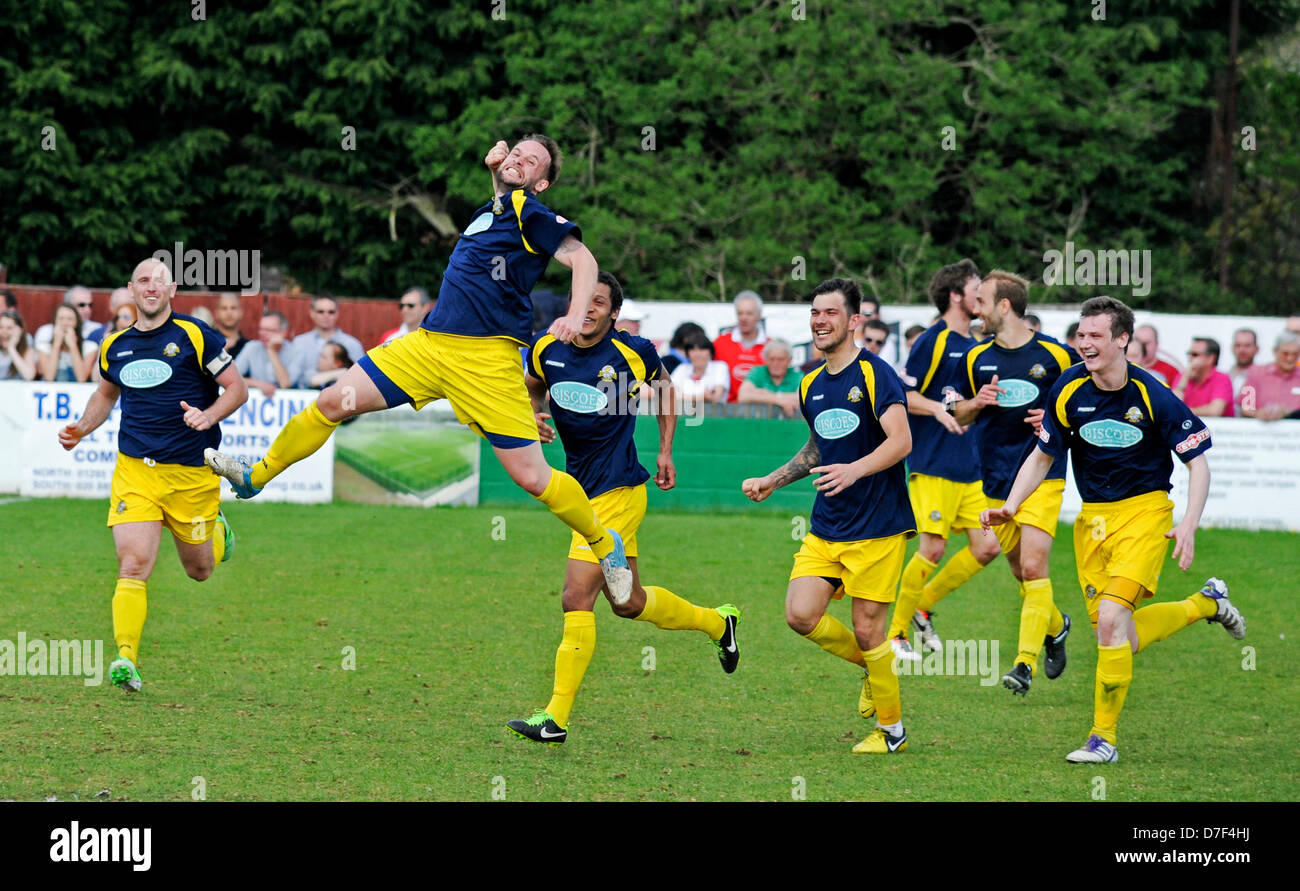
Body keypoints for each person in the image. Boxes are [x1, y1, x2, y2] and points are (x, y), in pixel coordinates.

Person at [204, 135, 635, 600]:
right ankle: (255, 478)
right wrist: (496, 173)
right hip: (427, 346)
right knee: (331, 402)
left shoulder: (534, 214)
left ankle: (601, 540)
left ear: (542, 182)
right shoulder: (493, 208)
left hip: (486, 359)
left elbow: (583, 260)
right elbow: (501, 197)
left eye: (531, 161)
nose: (518, 159)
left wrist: (574, 314)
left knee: (531, 477)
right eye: (516, 152)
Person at [983, 296, 1245, 763]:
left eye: (1095, 335)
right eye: (1081, 335)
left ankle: (1103, 739)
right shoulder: (1066, 388)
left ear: (1122, 339)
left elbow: (1198, 464)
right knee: (1121, 636)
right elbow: (1043, 455)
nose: (1085, 343)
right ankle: (1205, 604)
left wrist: (1188, 522)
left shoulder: (1151, 394)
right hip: (1092, 522)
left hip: (1145, 516)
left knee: (1109, 622)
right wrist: (1012, 505)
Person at [507, 271, 740, 745]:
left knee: (576, 597)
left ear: (614, 313)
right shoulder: (544, 347)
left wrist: (666, 449)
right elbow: (532, 381)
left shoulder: (634, 351)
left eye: (599, 303)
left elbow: (668, 390)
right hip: (581, 490)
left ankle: (555, 718)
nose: (588, 309)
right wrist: (534, 413)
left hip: (618, 492)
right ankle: (719, 622)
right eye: (582, 300)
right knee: (628, 603)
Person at [57, 258, 249, 693]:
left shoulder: (196, 335)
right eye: (142, 280)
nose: (150, 287)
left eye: (158, 281)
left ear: (172, 290)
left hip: (191, 475)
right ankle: (126, 658)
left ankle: (219, 532)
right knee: (132, 563)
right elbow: (106, 395)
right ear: (131, 289)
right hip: (136, 471)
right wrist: (82, 429)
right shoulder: (115, 345)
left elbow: (237, 388)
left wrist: (209, 415)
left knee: (199, 570)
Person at [742, 277, 913, 755]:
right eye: (815, 312)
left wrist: (855, 471)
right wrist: (773, 480)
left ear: (854, 321)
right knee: (799, 614)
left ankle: (892, 731)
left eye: (830, 313)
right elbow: (819, 447)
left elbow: (901, 442)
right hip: (828, 524)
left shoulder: (878, 375)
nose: (820, 320)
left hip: (878, 524)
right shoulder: (810, 383)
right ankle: (873, 669)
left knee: (868, 629)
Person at [952, 271, 1078, 694]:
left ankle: (1023, 664)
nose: (976, 310)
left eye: (982, 302)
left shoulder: (1058, 357)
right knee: (1020, 573)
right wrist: (975, 402)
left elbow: (1083, 407)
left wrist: (1058, 420)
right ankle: (1057, 626)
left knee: (1033, 565)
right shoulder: (974, 358)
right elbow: (957, 415)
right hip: (996, 477)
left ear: (1004, 306)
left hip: (1044, 473)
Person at [888, 259, 999, 660]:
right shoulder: (932, 341)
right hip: (932, 461)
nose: (982, 296)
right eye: (975, 289)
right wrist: (937, 409)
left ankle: (922, 603)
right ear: (956, 296)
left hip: (967, 466)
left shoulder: (977, 346)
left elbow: (966, 406)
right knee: (932, 549)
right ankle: (895, 634)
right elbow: (901, 395)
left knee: (988, 547)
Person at [290, 295, 364, 385]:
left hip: (340, 397)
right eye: (321, 311)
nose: (326, 316)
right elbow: (292, 378)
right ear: (312, 313)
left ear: (337, 314)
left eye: (331, 312)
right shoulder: (299, 342)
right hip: (304, 397)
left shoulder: (352, 344)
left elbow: (360, 379)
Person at [713, 290, 767, 402]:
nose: (743, 318)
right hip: (723, 411)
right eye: (740, 313)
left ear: (759, 316)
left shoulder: (771, 347)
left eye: (749, 313)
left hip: (760, 411)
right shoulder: (719, 343)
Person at [235, 310, 301, 397]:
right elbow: (232, 377)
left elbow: (285, 384)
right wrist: (257, 384)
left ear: (283, 333)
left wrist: (271, 351)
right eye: (261, 329)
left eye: (268, 330)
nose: (262, 333)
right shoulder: (251, 347)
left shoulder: (296, 352)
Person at [1240, 330, 1300, 421]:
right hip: (1260, 430)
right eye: (1285, 354)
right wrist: (1259, 413)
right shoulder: (1256, 373)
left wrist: (1288, 412)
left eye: (1294, 354)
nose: (1290, 358)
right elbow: (1246, 407)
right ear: (1275, 352)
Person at [737, 337, 800, 416]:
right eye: (771, 359)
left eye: (780, 359)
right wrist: (779, 399)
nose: (775, 363)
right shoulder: (758, 372)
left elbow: (801, 399)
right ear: (765, 359)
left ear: (789, 360)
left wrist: (764, 394)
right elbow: (743, 396)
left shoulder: (797, 376)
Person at [1173, 337, 1234, 417]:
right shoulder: (1183, 377)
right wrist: (1185, 378)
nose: (1190, 358)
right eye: (1189, 354)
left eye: (1195, 355)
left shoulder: (1222, 379)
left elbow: (1215, 411)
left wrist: (1184, 411)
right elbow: (1172, 407)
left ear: (1210, 358)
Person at [37, 304, 97, 382]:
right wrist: (56, 345)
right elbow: (49, 378)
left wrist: (73, 346)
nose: (65, 323)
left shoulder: (90, 347)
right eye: (61, 318)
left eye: (70, 319)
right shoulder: (44, 347)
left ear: (77, 323)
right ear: (55, 322)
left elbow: (82, 379)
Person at [669, 331, 729, 405]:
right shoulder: (682, 368)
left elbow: (716, 397)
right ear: (687, 353)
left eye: (702, 349)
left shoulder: (720, 367)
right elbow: (669, 395)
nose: (698, 354)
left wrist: (683, 397)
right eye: (693, 349)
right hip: (684, 415)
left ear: (710, 352)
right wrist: (701, 397)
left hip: (715, 415)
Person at [35, 286, 100, 350]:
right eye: (81, 305)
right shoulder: (45, 332)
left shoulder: (97, 329)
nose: (87, 310)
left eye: (90, 305)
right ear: (68, 305)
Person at [0, 309, 38, 380]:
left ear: (20, 330)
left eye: (9, 328)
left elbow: (29, 376)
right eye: (1, 327)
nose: (4, 332)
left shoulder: (27, 350)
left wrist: (11, 348)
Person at [1228, 327, 1257, 404]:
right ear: (1232, 348)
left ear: (1256, 349)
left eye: (1247, 346)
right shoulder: (1224, 376)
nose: (1242, 350)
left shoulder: (1263, 378)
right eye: (1238, 345)